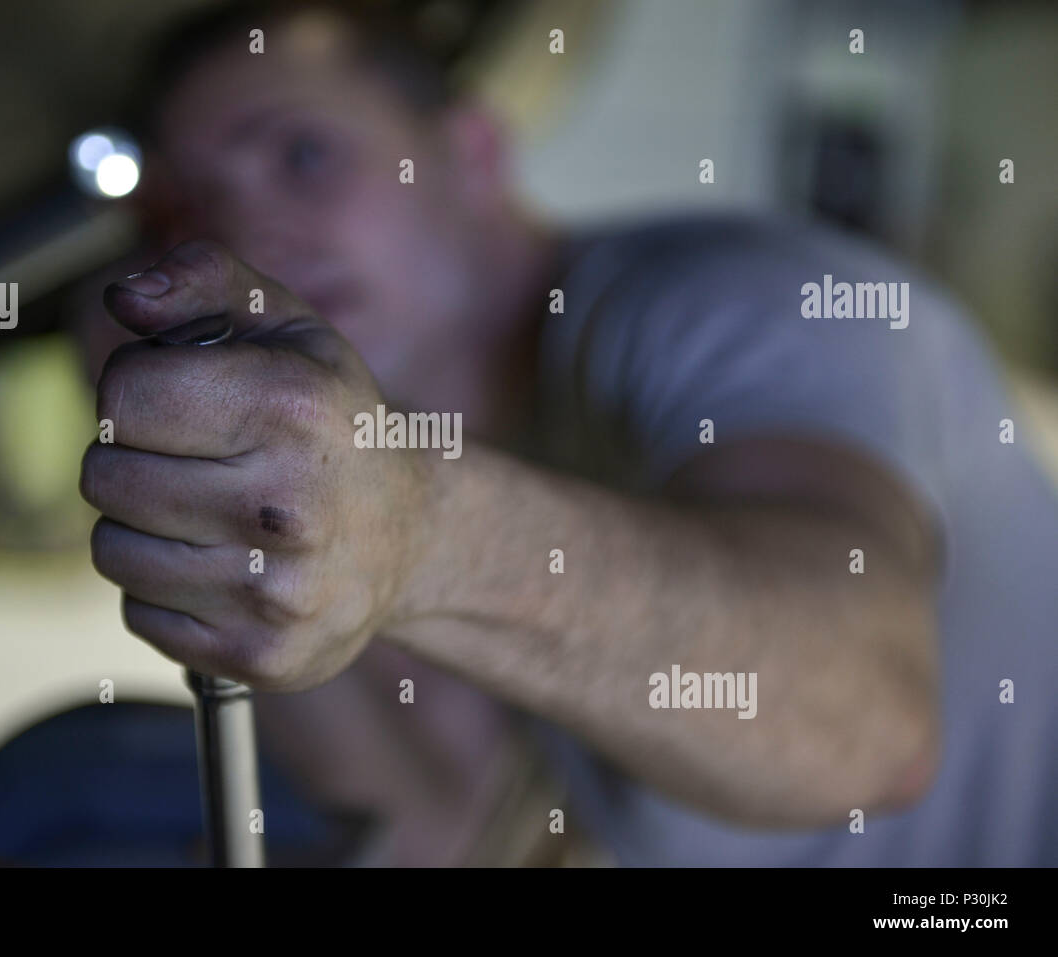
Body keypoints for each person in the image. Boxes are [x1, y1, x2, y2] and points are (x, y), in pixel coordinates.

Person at [78, 0, 1058, 865]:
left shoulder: (742, 306)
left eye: (302, 155)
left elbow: (871, 724)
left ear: (471, 151)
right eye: (195, 205)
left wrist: (424, 532)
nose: (252, 236)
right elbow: (444, 835)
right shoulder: (443, 440)